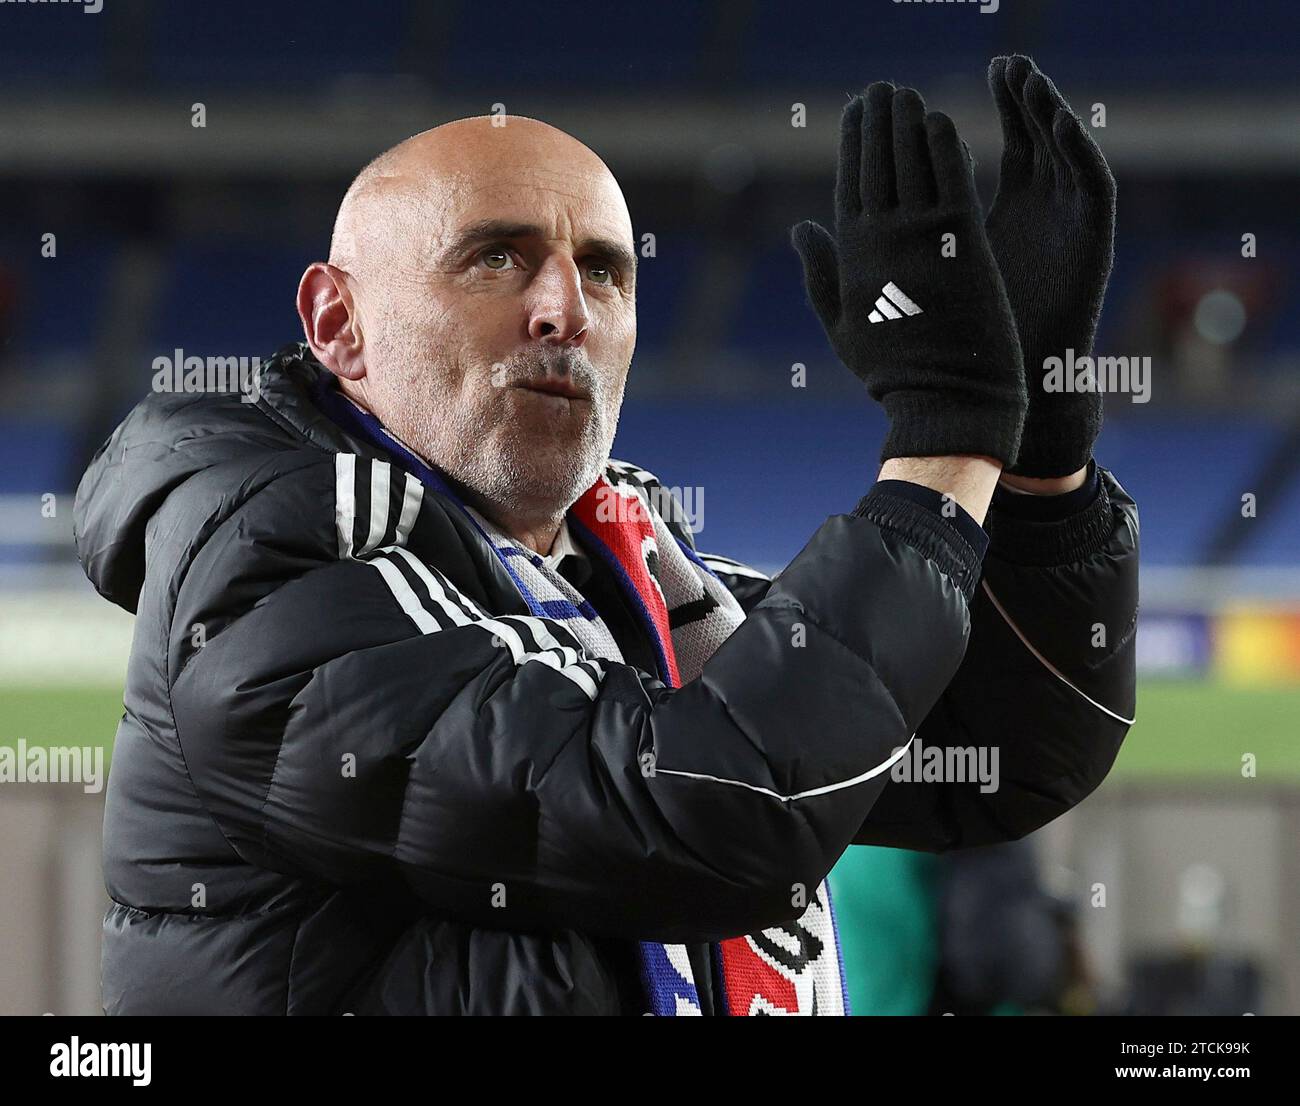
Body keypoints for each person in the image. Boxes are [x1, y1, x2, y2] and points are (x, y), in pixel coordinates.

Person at [74, 55, 1137, 1015]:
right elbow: (705, 813)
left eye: (605, 269)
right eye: (496, 257)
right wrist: (945, 440)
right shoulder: (271, 571)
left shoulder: (618, 569)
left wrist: (1035, 452)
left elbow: (1005, 748)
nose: (564, 309)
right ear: (337, 325)